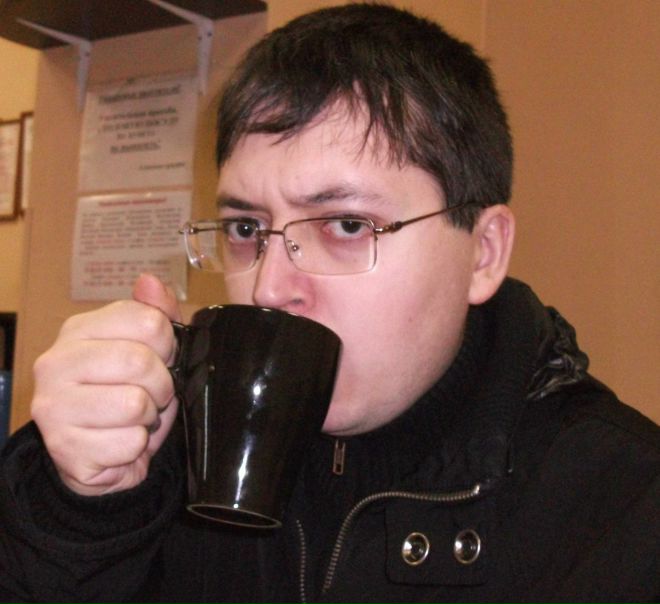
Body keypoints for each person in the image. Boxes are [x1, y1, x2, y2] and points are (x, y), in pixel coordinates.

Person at [0, 3, 658, 603]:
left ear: (482, 253)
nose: (269, 289)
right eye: (246, 228)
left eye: (346, 225)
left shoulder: (624, 511)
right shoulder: (172, 446)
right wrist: (81, 509)